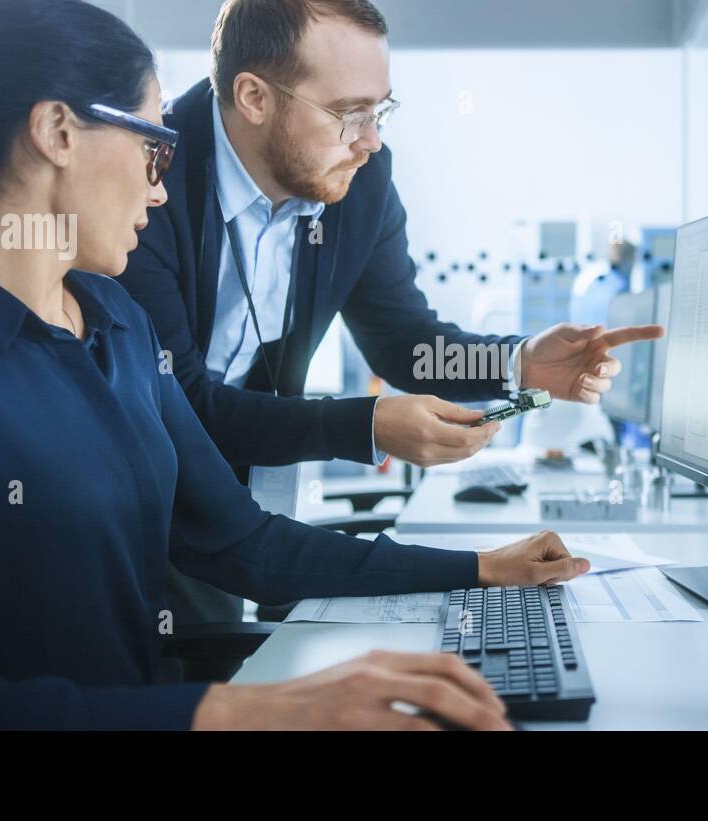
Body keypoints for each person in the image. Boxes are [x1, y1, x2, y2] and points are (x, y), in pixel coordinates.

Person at [0, 0, 587, 731]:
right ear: (58, 132)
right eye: (151, 147)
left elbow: (244, 544)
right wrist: (246, 712)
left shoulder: (113, 320)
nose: (160, 190)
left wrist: (481, 568)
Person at [120, 0, 663, 627]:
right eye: (349, 114)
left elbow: (401, 339)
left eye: (380, 111)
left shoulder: (362, 180)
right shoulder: (148, 178)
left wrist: (516, 364)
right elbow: (182, 401)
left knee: (239, 648)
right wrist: (366, 426)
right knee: (180, 653)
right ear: (254, 97)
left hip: (239, 494)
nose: (371, 141)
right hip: (138, 487)